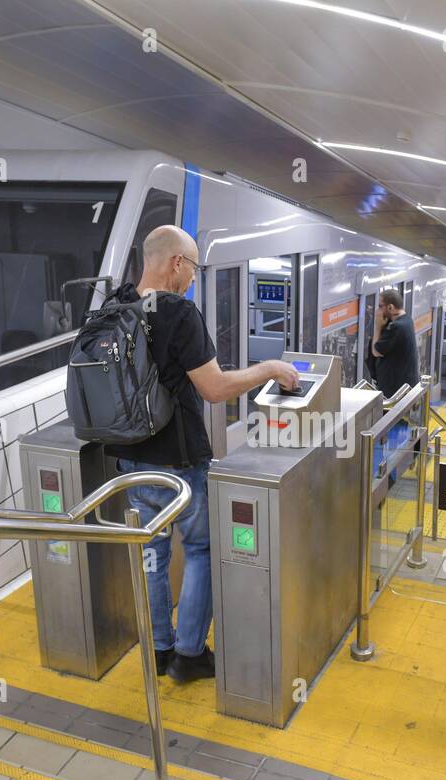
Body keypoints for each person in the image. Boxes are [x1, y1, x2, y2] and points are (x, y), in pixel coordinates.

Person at [102, 225, 300, 683]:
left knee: (151, 552)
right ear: (176, 263)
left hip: (130, 457)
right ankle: (190, 655)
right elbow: (214, 389)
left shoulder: (116, 305)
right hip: (179, 459)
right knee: (200, 548)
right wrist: (269, 368)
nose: (193, 277)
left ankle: (159, 648)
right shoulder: (176, 312)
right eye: (193, 267)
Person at [368, 288, 418, 398]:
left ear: (390, 307)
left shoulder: (397, 327)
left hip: (395, 390)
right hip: (401, 386)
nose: (378, 311)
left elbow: (376, 351)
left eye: (380, 306)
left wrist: (377, 327)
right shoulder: (407, 320)